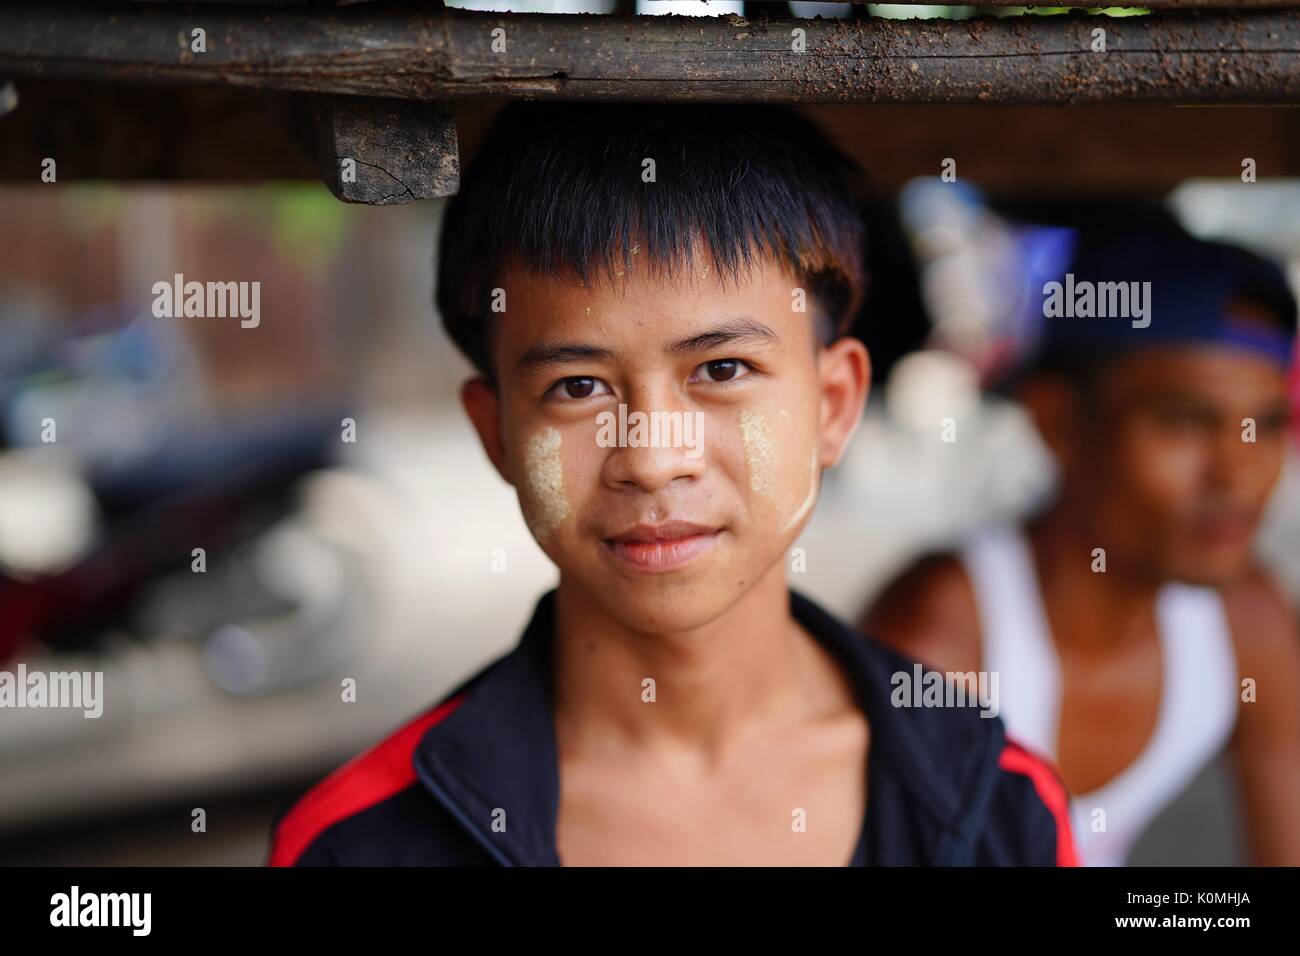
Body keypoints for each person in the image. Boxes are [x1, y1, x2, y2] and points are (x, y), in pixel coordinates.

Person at [268, 102, 1075, 866]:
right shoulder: (362, 843)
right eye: (578, 386)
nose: (653, 458)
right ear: (497, 434)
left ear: (833, 406)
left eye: (722, 370)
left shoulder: (1000, 807)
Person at [863, 223, 1300, 866]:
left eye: (1264, 425)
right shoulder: (943, 638)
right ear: (1058, 421)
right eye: (1184, 421)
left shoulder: (1247, 619)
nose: (1238, 473)